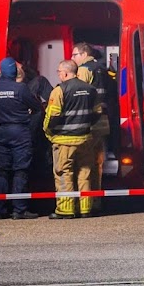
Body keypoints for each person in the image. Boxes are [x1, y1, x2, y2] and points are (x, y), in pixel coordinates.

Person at [44, 59, 101, 219]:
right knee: (85, 172)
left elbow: (52, 115)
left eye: (59, 72)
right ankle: (85, 208)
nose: (59, 75)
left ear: (66, 72)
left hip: (64, 141)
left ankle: (66, 210)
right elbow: (97, 112)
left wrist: (48, 130)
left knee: (64, 173)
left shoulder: (60, 90)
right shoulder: (91, 89)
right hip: (85, 139)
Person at [0, 57, 42, 221]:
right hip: (20, 132)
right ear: (14, 71)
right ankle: (19, 210)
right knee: (21, 169)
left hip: (1, 131)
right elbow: (36, 107)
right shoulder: (21, 88)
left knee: (1, 170)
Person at [73, 43, 112, 217]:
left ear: (83, 54)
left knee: (84, 162)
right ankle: (97, 199)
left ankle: (84, 202)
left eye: (75, 55)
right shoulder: (101, 69)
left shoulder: (84, 70)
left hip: (89, 120)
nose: (73, 58)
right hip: (102, 118)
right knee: (98, 162)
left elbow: (78, 94)